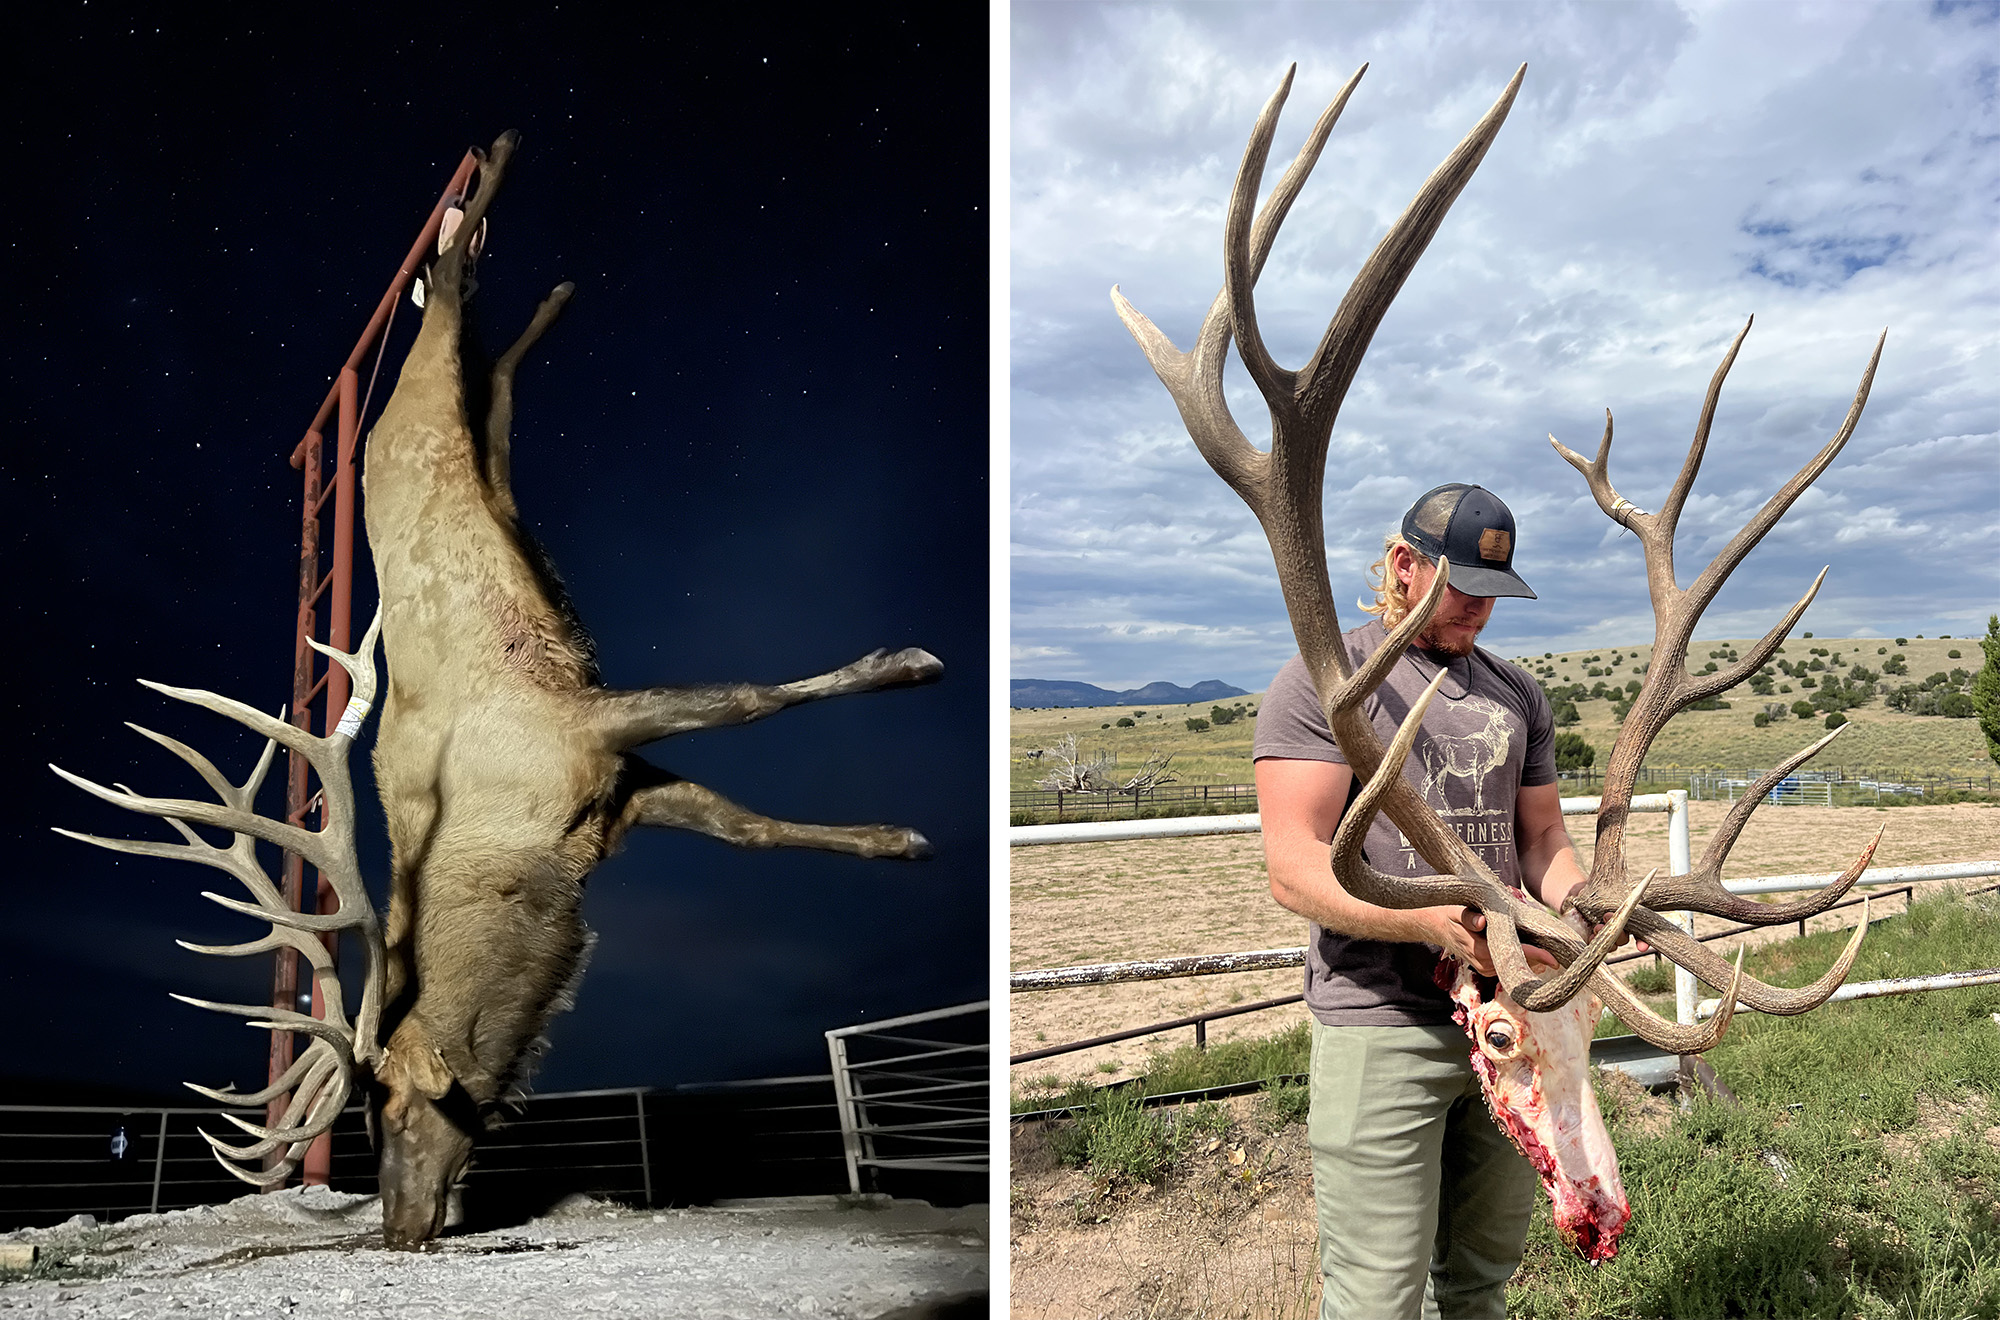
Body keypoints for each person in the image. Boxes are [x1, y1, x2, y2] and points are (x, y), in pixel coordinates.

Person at [1251, 483, 1587, 1320]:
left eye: (1493, 595)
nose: (1477, 612)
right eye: (1462, 588)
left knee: (1481, 1283)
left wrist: (1582, 915)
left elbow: (1543, 841)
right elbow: (1293, 866)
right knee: (1375, 1300)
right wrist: (1423, 924)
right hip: (1382, 1025)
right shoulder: (1326, 684)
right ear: (1405, 565)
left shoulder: (1516, 694)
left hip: (1513, 1021)